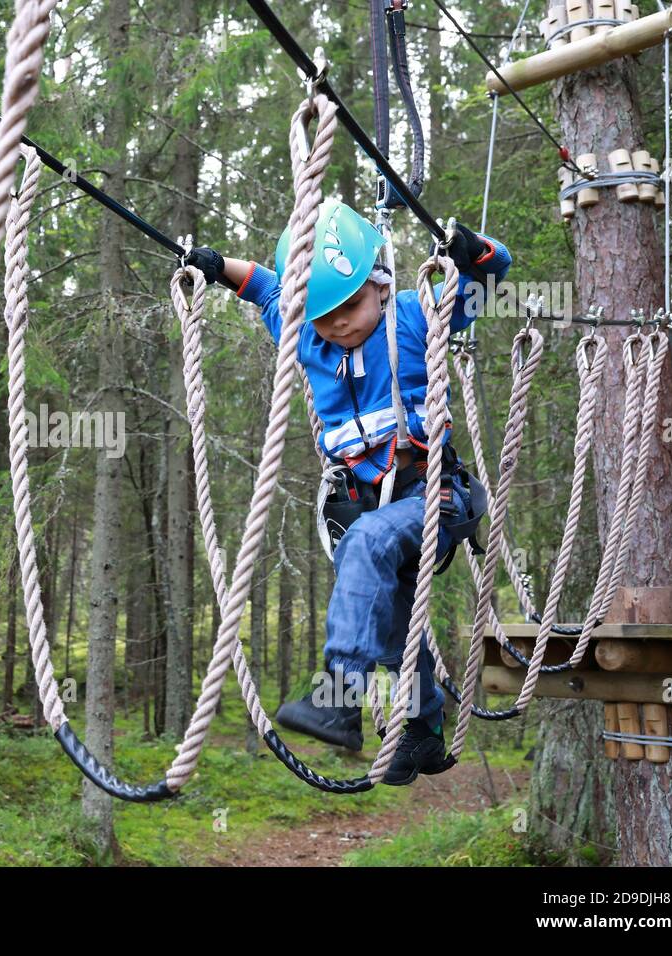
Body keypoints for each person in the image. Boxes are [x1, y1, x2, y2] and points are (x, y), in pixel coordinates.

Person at [184, 200, 510, 785]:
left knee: (367, 545)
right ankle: (423, 733)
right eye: (322, 315)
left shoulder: (413, 317)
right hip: (364, 506)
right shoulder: (307, 342)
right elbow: (264, 288)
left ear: (379, 283)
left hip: (430, 496)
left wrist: (472, 254)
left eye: (350, 305)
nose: (337, 324)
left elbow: (489, 279)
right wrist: (216, 266)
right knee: (389, 619)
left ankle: (341, 695)